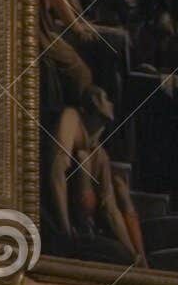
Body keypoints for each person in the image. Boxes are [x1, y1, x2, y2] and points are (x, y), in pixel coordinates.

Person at [48, 86, 146, 266]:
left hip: (83, 228)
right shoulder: (71, 118)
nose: (111, 104)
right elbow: (57, 173)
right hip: (57, 225)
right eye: (105, 98)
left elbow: (111, 210)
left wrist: (134, 255)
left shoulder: (99, 154)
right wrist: (65, 229)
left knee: (123, 255)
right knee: (83, 159)